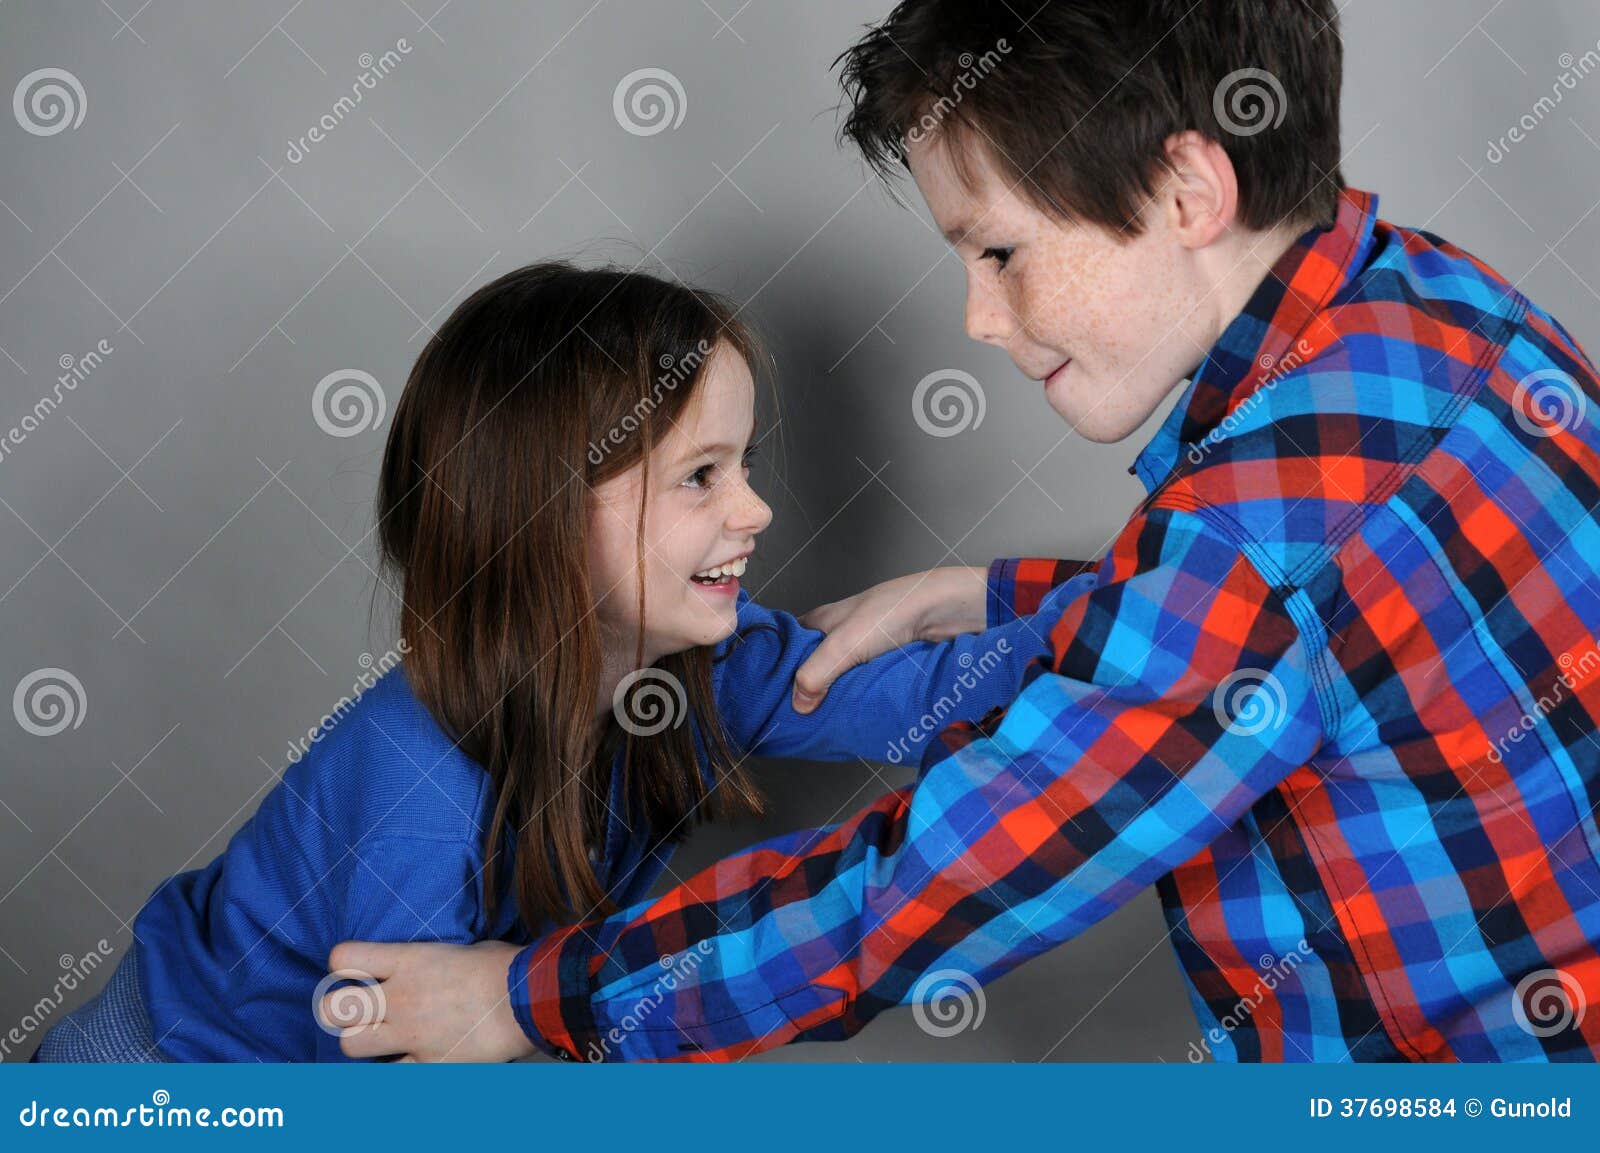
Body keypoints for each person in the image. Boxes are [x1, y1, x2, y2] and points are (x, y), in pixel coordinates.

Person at [326, 0, 1600, 1062]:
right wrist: (987, 594)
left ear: (1187, 188)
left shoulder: (1242, 555)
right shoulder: (1441, 303)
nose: (979, 320)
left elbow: (925, 893)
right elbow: (1338, 607)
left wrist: (525, 998)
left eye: (998, 252)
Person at [31, 261, 1077, 1061]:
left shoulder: (711, 660)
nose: (755, 512)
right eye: (700, 477)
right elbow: (410, 1058)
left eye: (744, 466)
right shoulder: (422, 786)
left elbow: (945, 692)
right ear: (544, 523)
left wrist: (1136, 606)